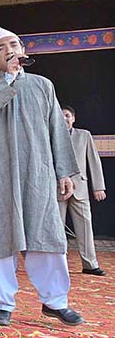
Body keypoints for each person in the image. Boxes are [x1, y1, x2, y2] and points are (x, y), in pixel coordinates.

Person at [0, 27, 82, 327]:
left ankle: (56, 302)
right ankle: (4, 303)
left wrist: (64, 171)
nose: (9, 50)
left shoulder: (43, 85)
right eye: (2, 48)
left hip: (37, 172)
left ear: (23, 50)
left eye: (14, 45)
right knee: (1, 237)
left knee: (46, 235)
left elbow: (57, 128)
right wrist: (7, 81)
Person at [60, 106, 107, 276]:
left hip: (80, 188)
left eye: (67, 115)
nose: (64, 118)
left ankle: (90, 264)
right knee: (57, 228)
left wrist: (98, 186)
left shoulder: (84, 135)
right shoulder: (49, 134)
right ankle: (59, 265)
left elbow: (94, 161)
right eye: (60, 115)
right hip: (57, 189)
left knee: (85, 227)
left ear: (73, 118)